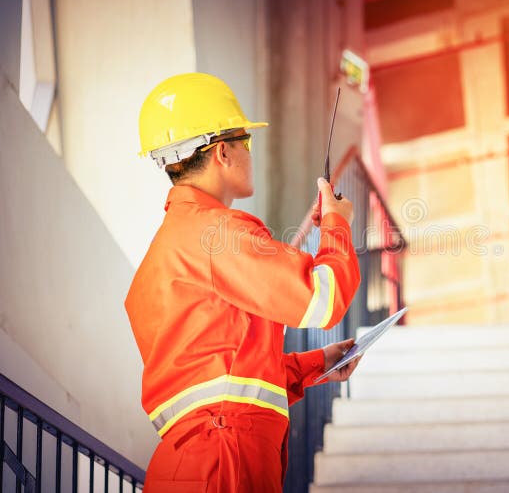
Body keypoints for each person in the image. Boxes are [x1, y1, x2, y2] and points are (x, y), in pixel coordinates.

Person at [124, 73, 362, 492]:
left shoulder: (164, 257)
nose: (250, 153)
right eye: (245, 141)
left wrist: (316, 364)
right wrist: (337, 224)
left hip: (191, 464)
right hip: (225, 462)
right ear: (222, 152)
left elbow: (226, 377)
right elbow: (324, 299)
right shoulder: (216, 234)